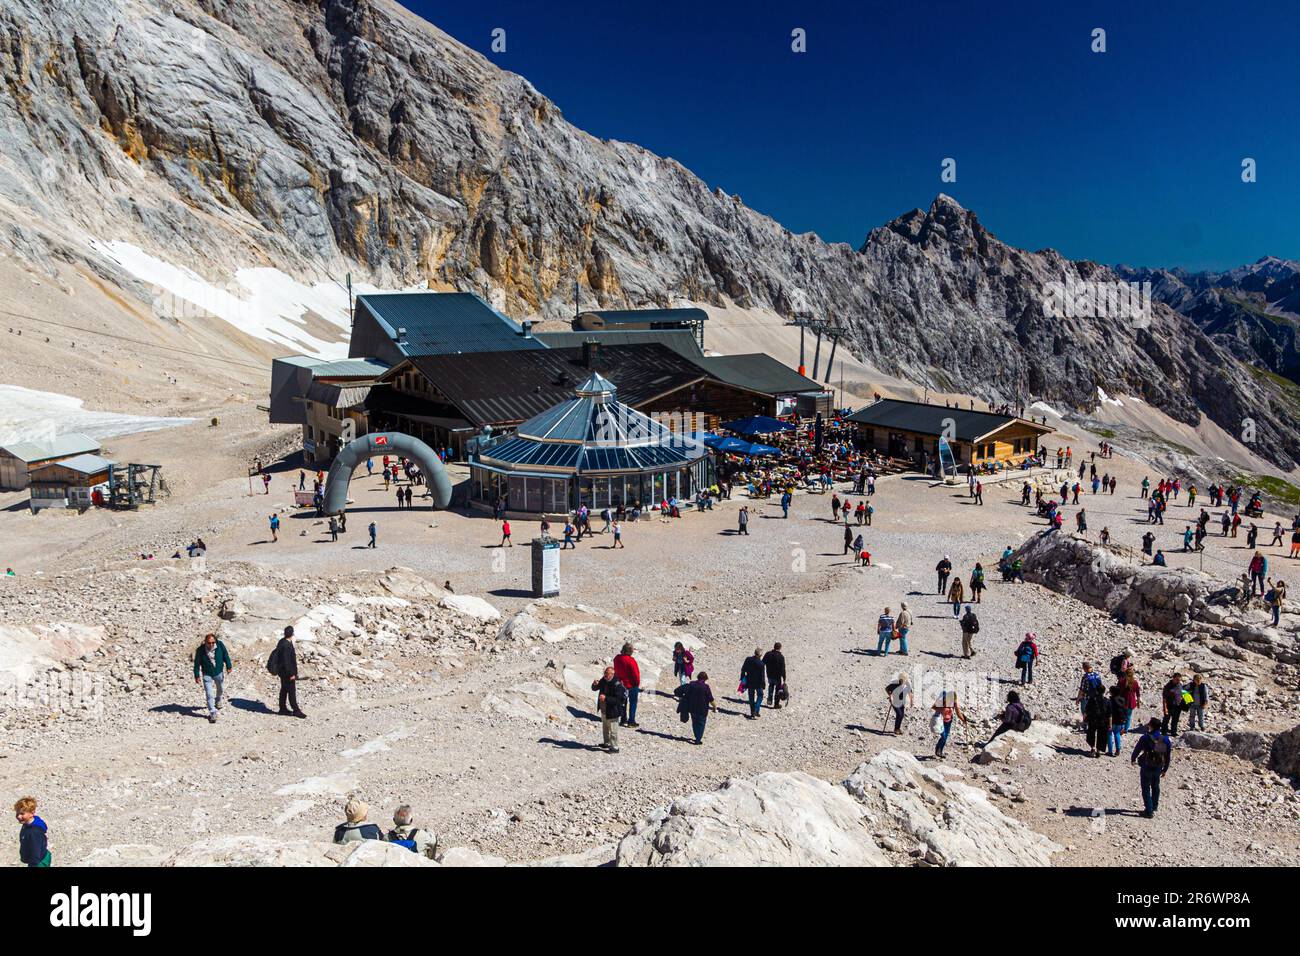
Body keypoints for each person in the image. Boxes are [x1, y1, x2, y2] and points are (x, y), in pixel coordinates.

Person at [1131, 718, 1172, 818]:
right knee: (1155, 786)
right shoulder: (1166, 739)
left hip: (1146, 765)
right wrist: (1165, 769)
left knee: (1145, 787)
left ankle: (1149, 811)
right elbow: (1168, 756)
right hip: (1158, 766)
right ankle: (1154, 806)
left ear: (1151, 726)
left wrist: (1133, 758)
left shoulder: (1145, 737)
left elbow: (1137, 749)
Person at [193, 632, 233, 724]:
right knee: (209, 694)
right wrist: (196, 675)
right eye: (209, 643)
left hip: (218, 672)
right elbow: (196, 664)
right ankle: (212, 712)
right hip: (207, 674)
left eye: (213, 642)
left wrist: (229, 665)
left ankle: (218, 699)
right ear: (205, 642)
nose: (211, 644)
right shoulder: (200, 650)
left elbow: (225, 655)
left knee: (220, 689)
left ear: (215, 641)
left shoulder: (220, 645)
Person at [269, 625, 306, 718]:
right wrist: (291, 674)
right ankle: (296, 710)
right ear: (292, 634)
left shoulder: (282, 642)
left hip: (282, 672)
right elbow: (287, 661)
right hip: (287, 673)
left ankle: (282, 709)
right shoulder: (286, 645)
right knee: (291, 691)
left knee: (284, 690)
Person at [591, 666, 627, 753]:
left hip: (613, 711)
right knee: (605, 728)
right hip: (604, 709)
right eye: (605, 673)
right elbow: (595, 688)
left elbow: (618, 700)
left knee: (613, 730)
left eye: (607, 674)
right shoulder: (604, 680)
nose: (605, 675)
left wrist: (606, 698)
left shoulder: (617, 684)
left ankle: (615, 747)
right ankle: (606, 743)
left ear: (612, 674)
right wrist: (594, 684)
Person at [680, 672, 717, 744]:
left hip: (692, 708)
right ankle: (698, 739)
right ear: (705, 678)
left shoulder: (692, 684)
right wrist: (715, 707)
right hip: (702, 709)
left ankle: (696, 736)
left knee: (694, 723)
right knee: (701, 724)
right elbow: (710, 699)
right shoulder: (706, 687)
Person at [14, 796, 50, 867]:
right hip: (39, 858)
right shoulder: (27, 824)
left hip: (38, 862)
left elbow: (35, 851)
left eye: (22, 814)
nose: (18, 816)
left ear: (32, 813)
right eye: (17, 813)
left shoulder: (34, 832)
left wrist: (33, 864)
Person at [931, 689, 967, 759]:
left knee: (945, 737)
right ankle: (938, 750)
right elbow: (933, 707)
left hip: (949, 721)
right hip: (941, 721)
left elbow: (958, 712)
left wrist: (963, 720)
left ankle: (939, 750)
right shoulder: (942, 702)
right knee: (943, 736)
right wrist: (941, 709)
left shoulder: (954, 703)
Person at [613, 643, 641, 728]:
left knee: (623, 702)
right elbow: (635, 674)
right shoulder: (631, 661)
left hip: (621, 684)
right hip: (631, 684)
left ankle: (623, 719)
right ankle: (631, 721)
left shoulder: (617, 658)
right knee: (633, 702)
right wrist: (637, 683)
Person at [1083, 678, 1111, 757]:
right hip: (1103, 721)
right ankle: (1098, 750)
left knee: (1091, 734)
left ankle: (1093, 748)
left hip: (1093, 720)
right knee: (1102, 735)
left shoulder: (1092, 699)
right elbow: (1109, 714)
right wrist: (1110, 724)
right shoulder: (1107, 701)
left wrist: (1084, 718)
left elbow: (1087, 709)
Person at [741, 648, 766, 718]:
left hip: (749, 682)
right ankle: (756, 710)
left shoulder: (748, 659)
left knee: (751, 697)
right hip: (758, 684)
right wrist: (763, 684)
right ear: (760, 655)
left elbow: (743, 669)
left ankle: (753, 712)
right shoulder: (761, 664)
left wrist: (742, 678)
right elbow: (762, 676)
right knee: (760, 696)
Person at [1107, 685, 1131, 757]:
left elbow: (1109, 712)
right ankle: (1118, 749)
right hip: (1121, 721)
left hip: (1112, 720)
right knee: (1117, 734)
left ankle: (1110, 751)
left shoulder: (1111, 701)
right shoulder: (1122, 700)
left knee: (1109, 734)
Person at [763, 643, 786, 709]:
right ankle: (776, 704)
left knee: (771, 686)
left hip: (769, 674)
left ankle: (769, 699)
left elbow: (763, 663)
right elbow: (783, 668)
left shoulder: (768, 654)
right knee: (778, 690)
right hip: (777, 676)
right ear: (780, 648)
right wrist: (784, 677)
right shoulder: (781, 657)